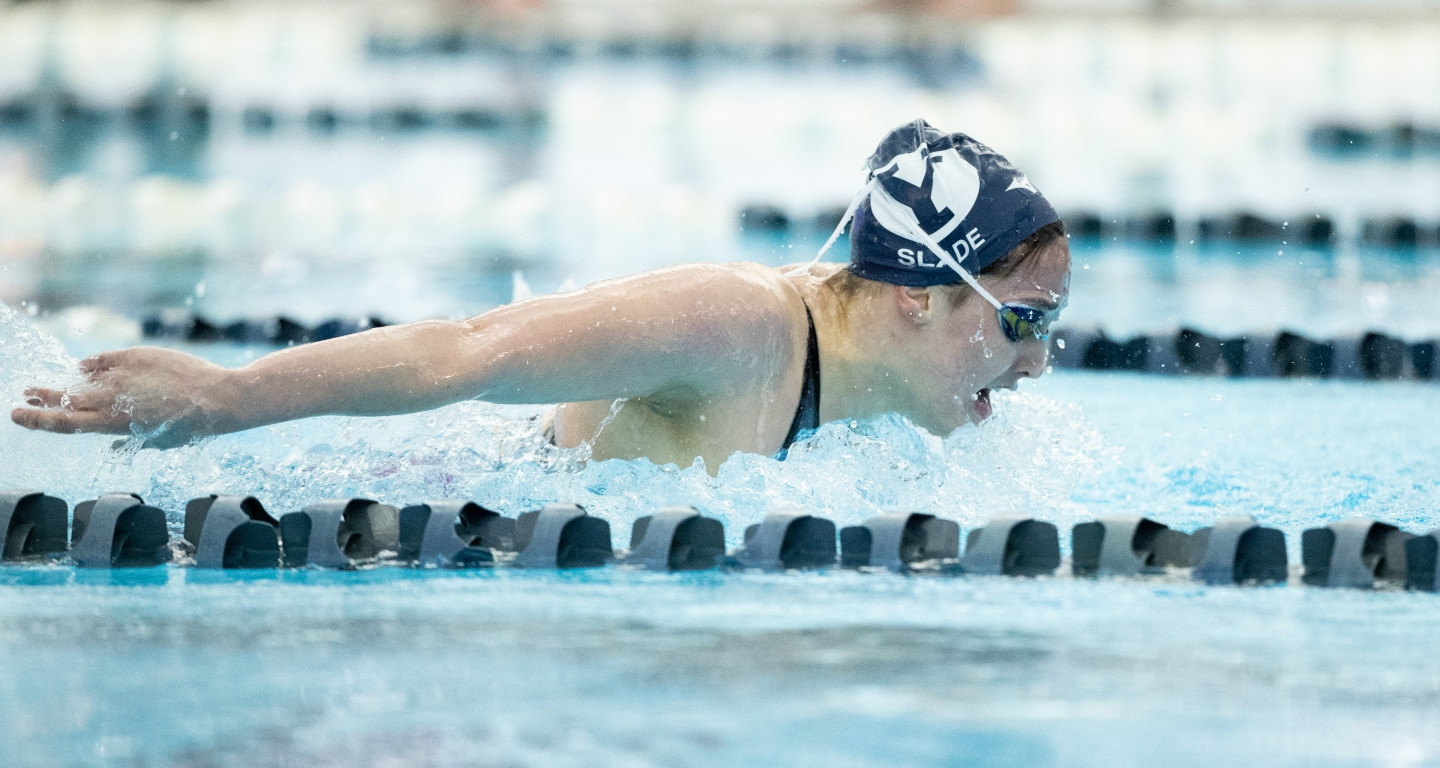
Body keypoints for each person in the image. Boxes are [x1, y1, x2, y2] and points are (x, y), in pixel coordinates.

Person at [11, 120, 1070, 472]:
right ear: (919, 297)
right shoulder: (737, 320)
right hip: (443, 515)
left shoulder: (879, 398)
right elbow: (470, 352)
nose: (1036, 362)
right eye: (1022, 322)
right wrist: (229, 398)